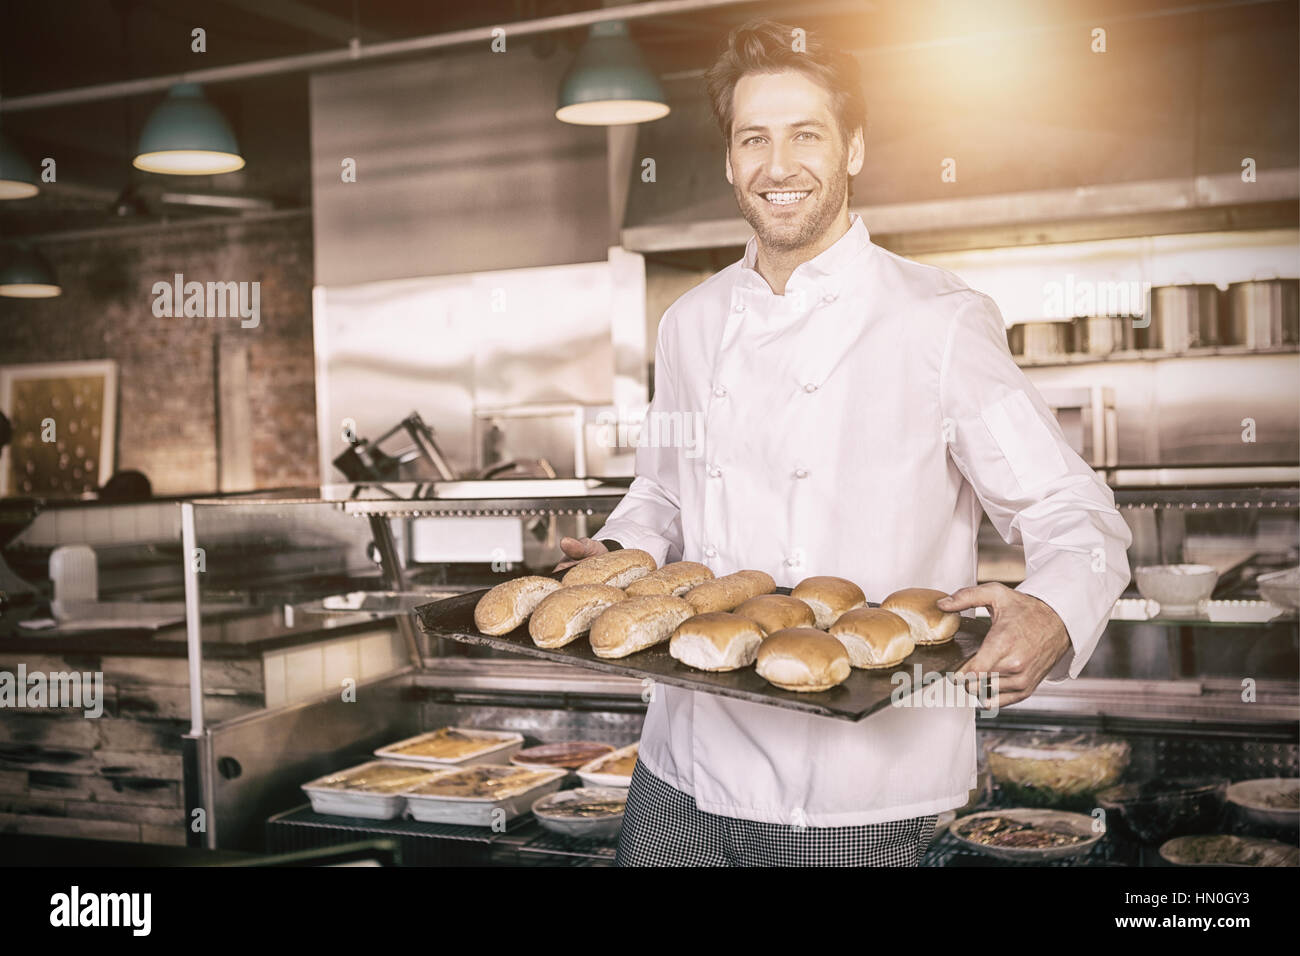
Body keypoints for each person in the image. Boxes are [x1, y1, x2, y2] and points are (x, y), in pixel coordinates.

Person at [555, 18, 1132, 867]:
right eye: (753, 138)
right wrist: (612, 551)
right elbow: (663, 493)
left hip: (860, 781)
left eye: (805, 136)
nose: (777, 165)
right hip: (683, 759)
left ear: (853, 149)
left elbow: (1066, 504)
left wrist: (1052, 606)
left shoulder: (938, 322)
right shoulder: (690, 323)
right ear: (727, 159)